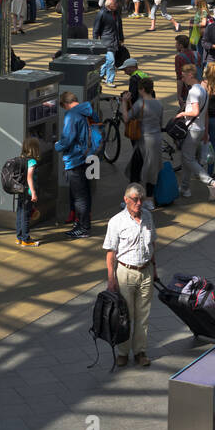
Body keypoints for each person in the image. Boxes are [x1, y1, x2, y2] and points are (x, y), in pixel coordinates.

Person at [104, 185, 157, 368]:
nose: (139, 203)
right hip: (125, 272)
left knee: (143, 315)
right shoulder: (116, 222)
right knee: (125, 315)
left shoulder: (148, 217)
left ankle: (140, 351)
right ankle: (123, 353)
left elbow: (152, 245)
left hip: (146, 271)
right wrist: (111, 280)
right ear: (126, 200)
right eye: (135, 199)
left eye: (141, 199)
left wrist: (154, 269)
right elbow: (110, 254)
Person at [175, 65, 215, 201]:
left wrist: (182, 113)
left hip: (192, 129)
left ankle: (211, 182)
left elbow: (195, 112)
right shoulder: (203, 89)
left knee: (188, 159)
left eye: (183, 75)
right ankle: (185, 188)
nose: (182, 78)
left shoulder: (194, 91)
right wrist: (206, 132)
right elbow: (205, 114)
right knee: (187, 159)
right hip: (200, 129)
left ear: (190, 75)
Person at [54, 91, 96, 239]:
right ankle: (82, 224)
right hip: (90, 157)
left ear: (65, 104)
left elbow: (67, 139)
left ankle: (83, 228)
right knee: (86, 192)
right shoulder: (89, 111)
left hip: (76, 159)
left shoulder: (71, 115)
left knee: (79, 196)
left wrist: (56, 146)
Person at [125, 79, 164, 198]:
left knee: (135, 171)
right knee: (152, 171)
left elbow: (126, 118)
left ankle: (133, 197)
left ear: (142, 89)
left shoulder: (140, 103)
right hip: (157, 139)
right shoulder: (159, 104)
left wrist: (123, 102)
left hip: (144, 141)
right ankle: (149, 199)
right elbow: (160, 124)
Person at [14, 135, 41, 247]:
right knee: (26, 215)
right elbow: (29, 177)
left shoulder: (21, 159)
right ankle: (26, 239)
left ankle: (19, 237)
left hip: (20, 190)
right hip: (28, 192)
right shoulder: (32, 161)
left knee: (20, 213)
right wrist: (33, 192)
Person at [93, 0, 124, 88]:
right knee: (111, 61)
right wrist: (95, 42)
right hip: (106, 42)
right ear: (109, 5)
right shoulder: (102, 13)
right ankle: (109, 80)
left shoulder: (116, 13)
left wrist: (121, 38)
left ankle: (100, 76)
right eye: (115, 3)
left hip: (115, 41)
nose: (117, 5)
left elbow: (120, 27)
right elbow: (96, 29)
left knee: (107, 61)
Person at [173, 35, 195, 108]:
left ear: (181, 45)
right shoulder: (195, 54)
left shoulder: (179, 57)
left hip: (186, 90)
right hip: (196, 85)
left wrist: (179, 95)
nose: (175, 45)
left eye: (176, 43)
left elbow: (180, 77)